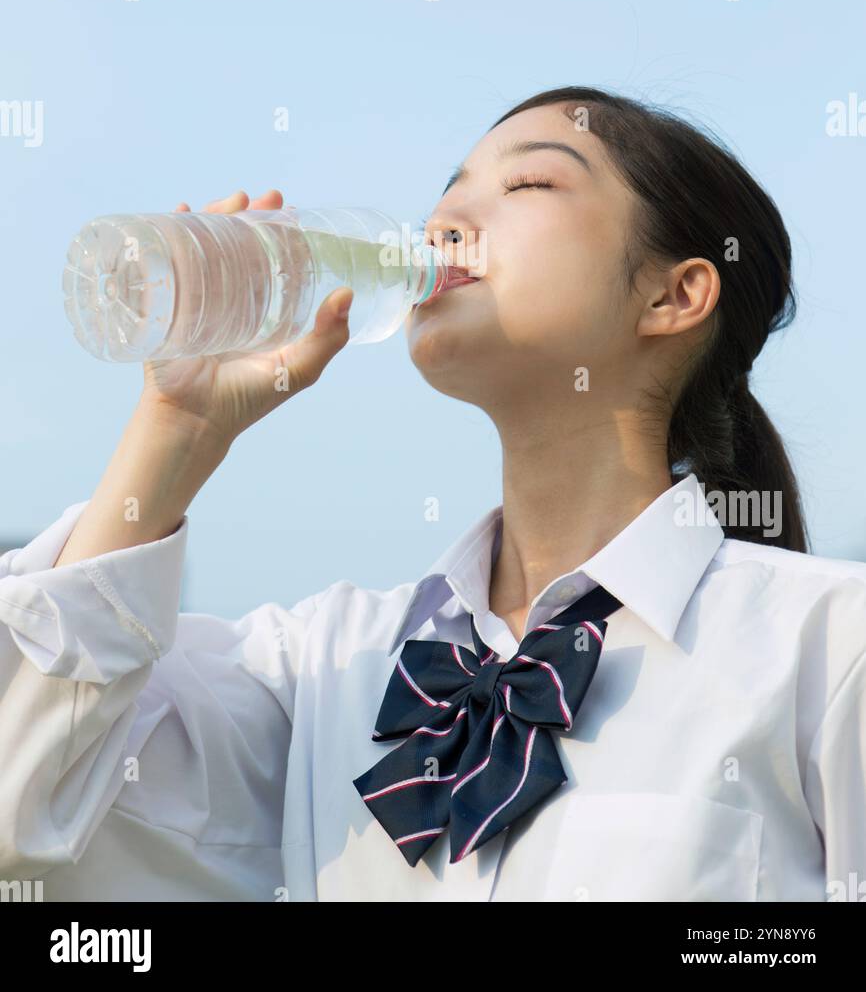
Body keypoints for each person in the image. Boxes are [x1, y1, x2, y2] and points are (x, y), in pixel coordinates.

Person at [1, 85, 864, 902]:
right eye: (447, 191)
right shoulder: (323, 670)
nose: (445, 219)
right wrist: (174, 432)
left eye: (528, 181)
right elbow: (25, 815)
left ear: (674, 294)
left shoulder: (827, 647)